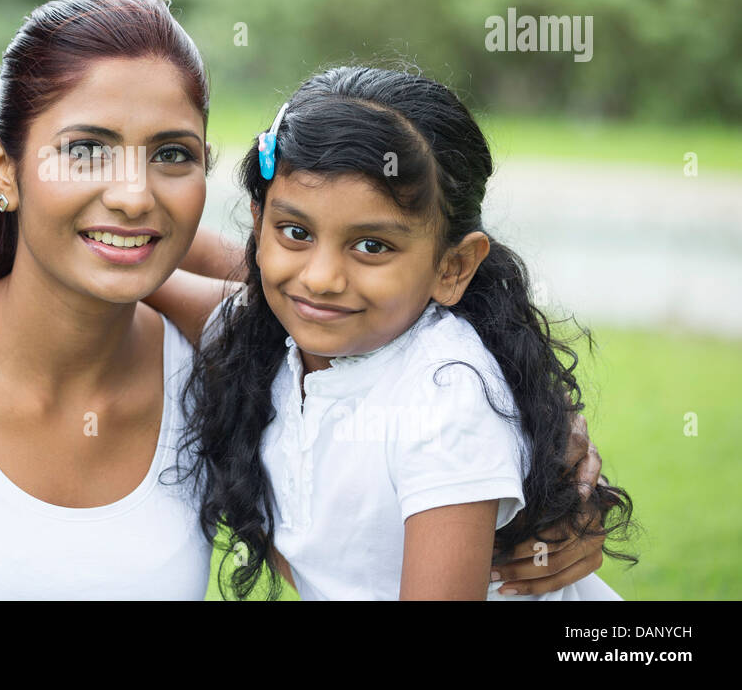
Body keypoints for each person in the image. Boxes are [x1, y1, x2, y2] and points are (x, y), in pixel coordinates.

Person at [0, 2, 611, 600]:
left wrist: (540, 442)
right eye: (86, 149)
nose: (132, 194)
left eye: (172, 154)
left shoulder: (215, 362)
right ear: (3, 168)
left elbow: (186, 256)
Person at [173, 65, 636, 599]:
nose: (320, 278)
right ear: (258, 227)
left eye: (372, 245)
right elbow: (153, 249)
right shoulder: (269, 338)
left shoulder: (444, 398)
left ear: (453, 267)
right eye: (296, 232)